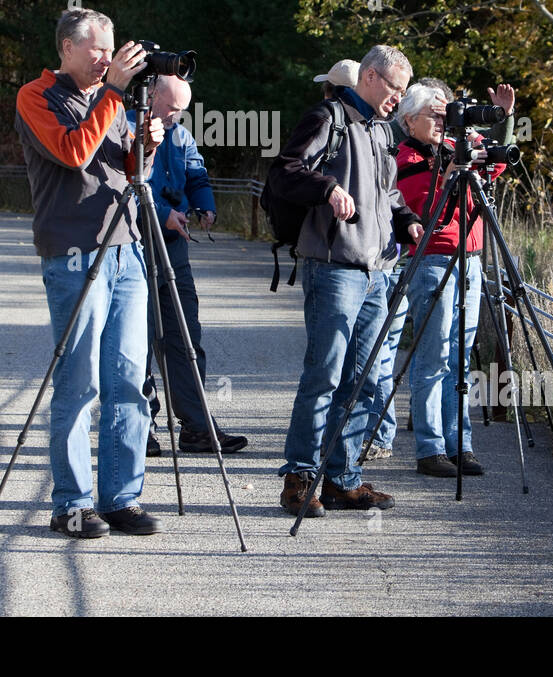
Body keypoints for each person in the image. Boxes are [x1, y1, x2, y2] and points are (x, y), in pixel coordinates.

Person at [14, 9, 166, 539]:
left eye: (111, 49)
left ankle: (122, 497)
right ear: (67, 49)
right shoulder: (36, 97)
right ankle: (72, 504)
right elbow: (73, 153)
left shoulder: (113, 100)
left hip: (127, 249)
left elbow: (133, 171)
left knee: (128, 382)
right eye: (97, 49)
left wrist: (144, 141)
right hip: (74, 253)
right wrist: (116, 96)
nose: (107, 58)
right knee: (80, 384)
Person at [274, 45, 424, 516]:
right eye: (395, 88)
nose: (398, 100)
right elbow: (284, 173)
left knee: (361, 381)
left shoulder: (381, 130)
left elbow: (389, 193)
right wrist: (328, 188)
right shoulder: (327, 117)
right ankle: (299, 479)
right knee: (324, 375)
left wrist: (408, 221)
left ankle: (342, 479)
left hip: (378, 270)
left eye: (403, 92)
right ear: (371, 77)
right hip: (334, 268)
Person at [395, 80, 514, 478]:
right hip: (433, 258)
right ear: (410, 119)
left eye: (447, 116)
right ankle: (430, 449)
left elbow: (495, 165)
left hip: (472, 257)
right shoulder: (405, 155)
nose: (444, 123)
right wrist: (446, 173)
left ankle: (459, 443)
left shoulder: (453, 146)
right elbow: (422, 208)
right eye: (436, 116)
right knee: (434, 356)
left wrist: (504, 121)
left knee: (461, 357)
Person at [127, 74, 247, 456]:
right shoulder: (126, 127)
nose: (177, 115)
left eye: (183, 109)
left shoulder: (181, 135)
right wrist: (162, 214)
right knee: (138, 340)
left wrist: (205, 203)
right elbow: (125, 184)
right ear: (151, 97)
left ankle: (196, 426)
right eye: (172, 107)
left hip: (175, 248)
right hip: (135, 245)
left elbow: (196, 173)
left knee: (185, 335)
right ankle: (139, 426)